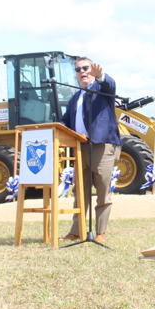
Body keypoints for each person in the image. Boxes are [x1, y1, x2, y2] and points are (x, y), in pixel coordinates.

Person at [59, 57, 122, 245]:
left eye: (85, 68)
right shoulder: (75, 98)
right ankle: (76, 231)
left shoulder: (102, 89)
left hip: (102, 146)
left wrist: (101, 76)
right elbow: (65, 121)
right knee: (80, 191)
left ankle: (100, 232)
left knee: (102, 191)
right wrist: (56, 127)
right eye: (78, 69)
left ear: (92, 70)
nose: (82, 72)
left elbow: (110, 85)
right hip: (81, 148)